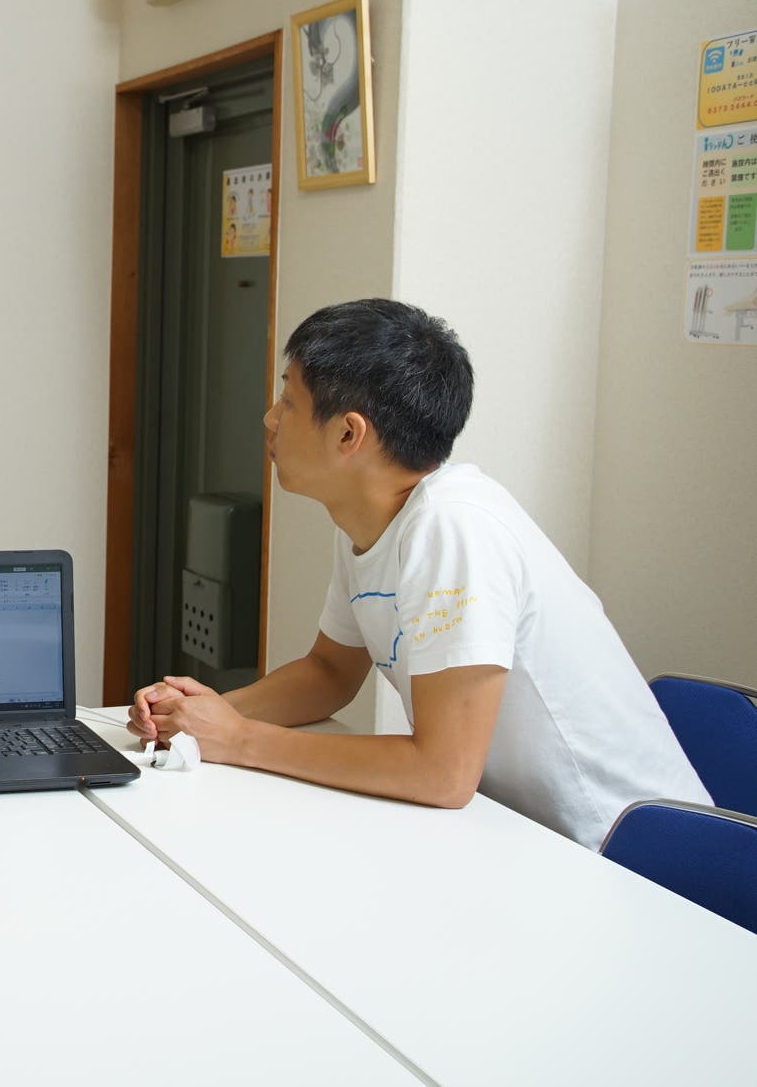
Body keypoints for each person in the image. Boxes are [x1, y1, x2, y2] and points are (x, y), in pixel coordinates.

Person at [130, 299, 705, 849]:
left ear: (349, 434)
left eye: (289, 402)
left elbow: (442, 774)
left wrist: (241, 740)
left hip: (626, 854)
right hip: (517, 834)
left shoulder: (453, 525)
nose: (270, 419)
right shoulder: (370, 519)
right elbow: (329, 673)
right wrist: (203, 715)